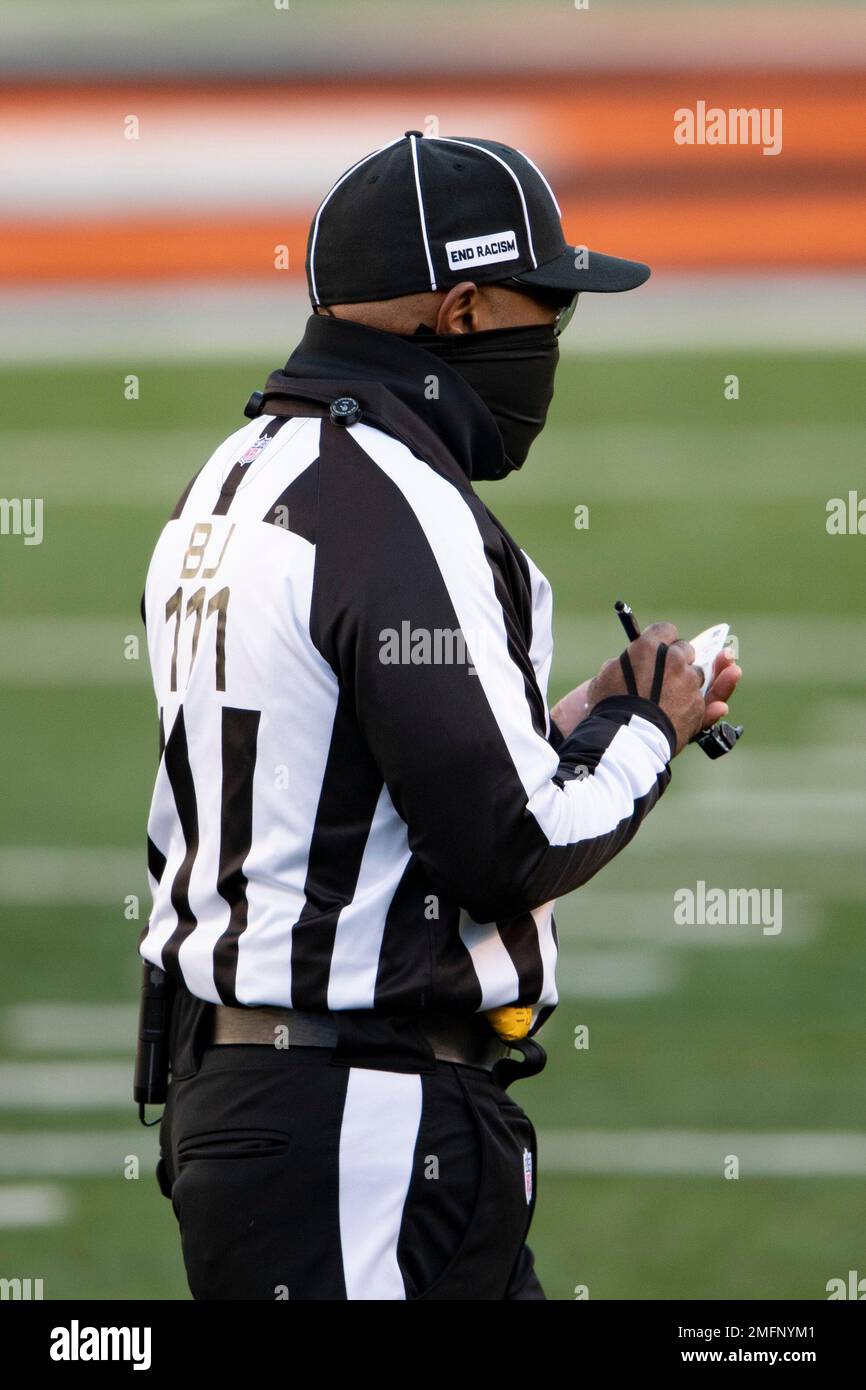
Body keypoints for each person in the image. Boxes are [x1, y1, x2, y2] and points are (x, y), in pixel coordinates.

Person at [141, 132, 741, 1300]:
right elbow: (510, 846)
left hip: (263, 1094)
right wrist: (644, 733)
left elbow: (337, 762)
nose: (551, 346)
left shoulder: (232, 474)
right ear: (461, 310)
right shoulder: (395, 498)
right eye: (543, 312)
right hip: (360, 1123)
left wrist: (560, 719)